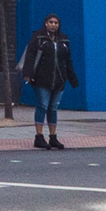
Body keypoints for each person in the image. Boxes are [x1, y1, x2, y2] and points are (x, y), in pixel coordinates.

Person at [19, 12, 77, 151]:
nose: (53, 25)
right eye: (51, 22)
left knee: (53, 108)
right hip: (41, 78)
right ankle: (39, 136)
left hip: (59, 79)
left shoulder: (63, 39)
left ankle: (53, 136)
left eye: (56, 23)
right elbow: (30, 55)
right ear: (46, 23)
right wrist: (27, 74)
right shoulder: (39, 37)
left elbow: (67, 60)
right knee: (42, 106)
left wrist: (72, 77)